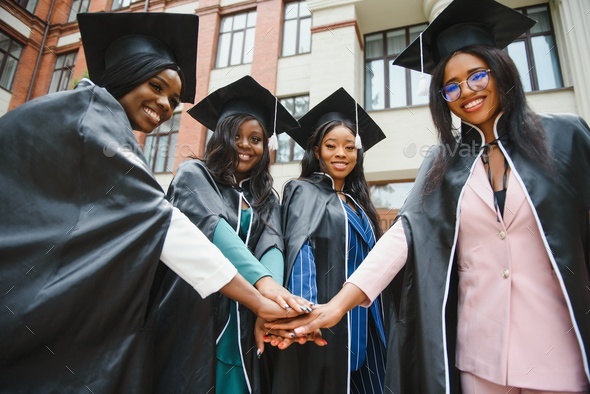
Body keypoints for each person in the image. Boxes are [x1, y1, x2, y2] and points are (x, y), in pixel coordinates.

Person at [266, 0, 590, 393]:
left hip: (558, 354)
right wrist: (334, 308)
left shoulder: (567, 138)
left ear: (500, 70)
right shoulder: (444, 164)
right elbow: (402, 238)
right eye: (450, 85)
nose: (465, 92)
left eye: (476, 76)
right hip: (479, 360)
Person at [0, 13, 298, 392]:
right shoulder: (93, 123)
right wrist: (260, 296)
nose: (164, 104)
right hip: (190, 311)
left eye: (173, 99)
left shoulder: (96, 119)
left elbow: (272, 240)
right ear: (127, 70)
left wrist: (273, 294)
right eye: (156, 86)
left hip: (225, 312)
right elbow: (173, 227)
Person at [154, 75, 309, 394]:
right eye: (237, 135)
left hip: (243, 316)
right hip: (194, 310)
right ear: (220, 136)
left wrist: (274, 301)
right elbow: (215, 231)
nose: (246, 145)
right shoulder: (193, 175)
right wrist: (264, 289)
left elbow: (273, 244)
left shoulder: (265, 194)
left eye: (256, 138)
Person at [268, 88, 387, 394]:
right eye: (331, 146)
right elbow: (300, 249)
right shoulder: (303, 191)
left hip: (365, 319)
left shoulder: (358, 203)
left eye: (349, 147)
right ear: (317, 150)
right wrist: (308, 314)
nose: (341, 154)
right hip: (327, 321)